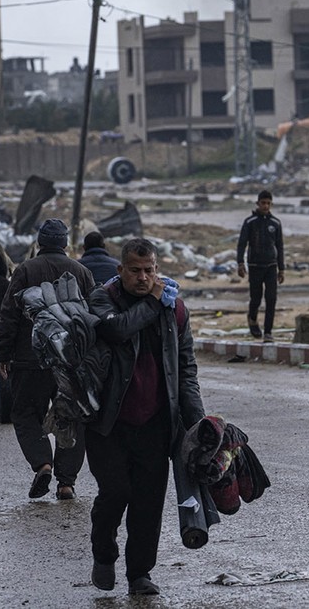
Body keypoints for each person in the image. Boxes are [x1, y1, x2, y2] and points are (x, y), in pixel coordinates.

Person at [86, 238, 205, 596]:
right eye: (135, 270)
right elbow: (117, 330)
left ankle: (140, 574)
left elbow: (186, 369)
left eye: (149, 270)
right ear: (120, 270)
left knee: (148, 502)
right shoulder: (102, 298)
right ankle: (104, 554)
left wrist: (198, 422)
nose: (143, 277)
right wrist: (154, 300)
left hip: (156, 422)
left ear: (157, 267)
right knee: (115, 492)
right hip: (108, 420)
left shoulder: (175, 310)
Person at [0, 219, 95, 501]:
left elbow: (9, 314)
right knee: (72, 417)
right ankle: (66, 483)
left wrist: (3, 353)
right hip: (72, 361)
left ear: (40, 242)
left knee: (26, 412)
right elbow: (94, 315)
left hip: (30, 360)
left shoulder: (25, 270)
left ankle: (43, 464)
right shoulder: (82, 271)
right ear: (65, 243)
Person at [235, 190, 284, 341]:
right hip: (255, 265)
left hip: (271, 266)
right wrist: (240, 263)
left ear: (271, 204)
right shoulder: (250, 222)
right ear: (258, 204)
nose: (265, 206)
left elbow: (280, 246)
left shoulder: (275, 223)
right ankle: (252, 320)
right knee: (256, 298)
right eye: (263, 203)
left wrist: (282, 269)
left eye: (268, 203)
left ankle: (268, 332)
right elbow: (242, 243)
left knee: (271, 299)